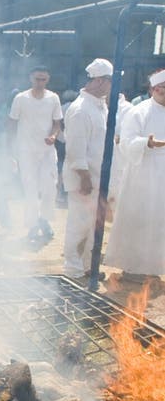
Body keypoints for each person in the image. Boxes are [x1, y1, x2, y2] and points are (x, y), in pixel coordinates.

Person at [105, 68, 165, 283]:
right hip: (143, 174)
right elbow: (126, 143)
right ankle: (132, 268)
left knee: (159, 222)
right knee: (140, 219)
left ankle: (153, 266)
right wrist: (146, 143)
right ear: (154, 89)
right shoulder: (139, 111)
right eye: (162, 88)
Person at [62, 58, 113, 281]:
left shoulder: (98, 106)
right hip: (84, 178)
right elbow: (76, 148)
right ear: (101, 81)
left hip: (96, 178)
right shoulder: (81, 109)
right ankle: (73, 270)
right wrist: (84, 177)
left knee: (93, 226)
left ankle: (88, 266)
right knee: (79, 225)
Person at [8, 66, 62, 243]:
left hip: (47, 151)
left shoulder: (53, 98)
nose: (40, 83)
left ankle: (44, 220)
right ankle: (32, 225)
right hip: (26, 151)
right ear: (31, 78)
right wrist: (11, 150)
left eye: (43, 80)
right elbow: (12, 124)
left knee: (49, 187)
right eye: (37, 79)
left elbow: (57, 123)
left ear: (48, 80)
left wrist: (53, 136)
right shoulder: (21, 98)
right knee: (30, 189)